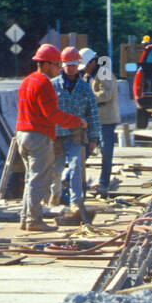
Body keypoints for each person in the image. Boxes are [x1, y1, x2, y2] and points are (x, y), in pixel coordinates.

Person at [16, 44, 86, 231]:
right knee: (39, 180)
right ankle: (34, 220)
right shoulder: (44, 83)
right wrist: (76, 121)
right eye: (56, 65)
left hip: (22, 135)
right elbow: (52, 114)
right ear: (46, 64)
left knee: (31, 178)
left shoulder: (27, 81)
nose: (59, 68)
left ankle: (25, 219)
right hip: (38, 136)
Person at [50, 46, 100, 223]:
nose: (70, 68)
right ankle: (54, 197)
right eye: (67, 65)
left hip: (75, 135)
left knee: (76, 167)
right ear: (62, 65)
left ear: (78, 65)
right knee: (55, 171)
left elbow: (93, 114)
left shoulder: (85, 88)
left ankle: (76, 203)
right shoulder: (53, 85)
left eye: (73, 65)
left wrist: (94, 138)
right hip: (55, 136)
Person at [80, 48, 121, 196]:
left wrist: (88, 99)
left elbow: (106, 94)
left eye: (86, 64)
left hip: (106, 119)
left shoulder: (105, 73)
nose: (84, 67)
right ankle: (75, 178)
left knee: (106, 152)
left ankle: (103, 184)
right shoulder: (87, 75)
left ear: (93, 61)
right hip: (93, 119)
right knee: (84, 147)